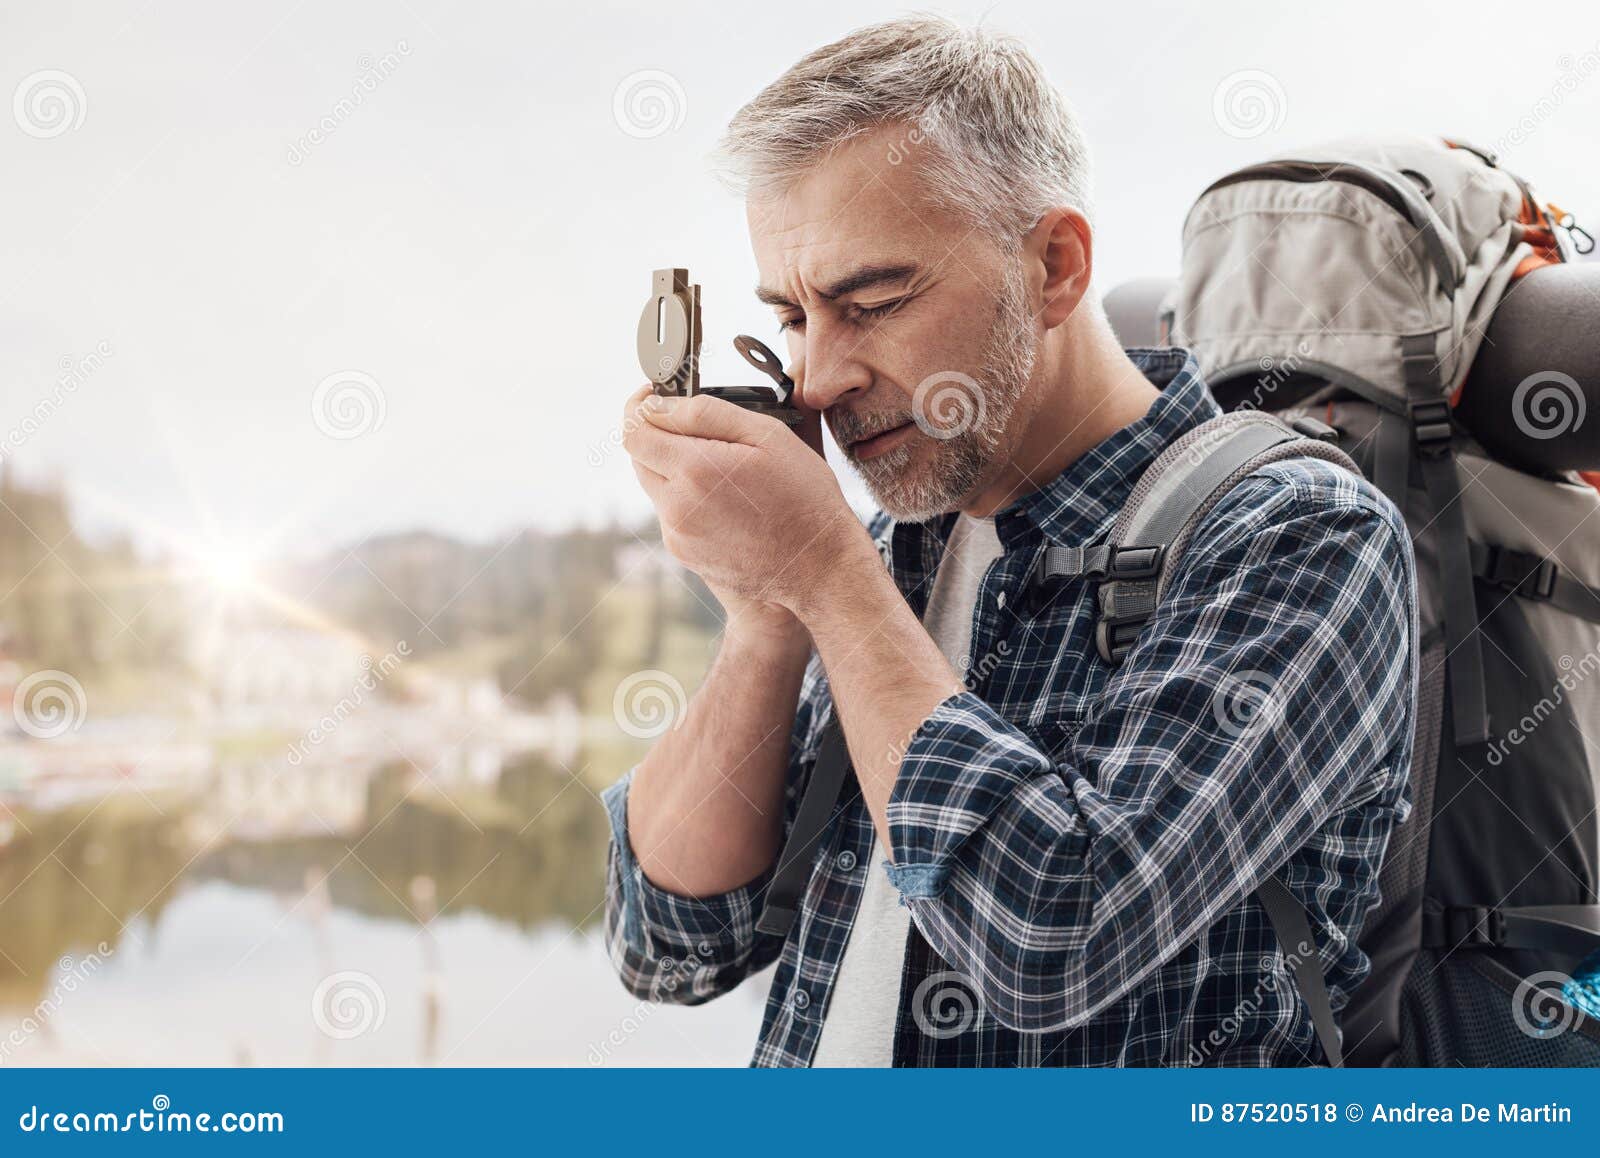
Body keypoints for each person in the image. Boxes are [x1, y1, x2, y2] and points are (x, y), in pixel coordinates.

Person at [604, 14, 1416, 1067]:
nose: (815, 379)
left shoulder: (1300, 537)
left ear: (1055, 266)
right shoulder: (897, 545)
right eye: (795, 317)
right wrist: (769, 611)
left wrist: (824, 575)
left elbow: (1053, 941)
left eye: (874, 301)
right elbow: (670, 947)